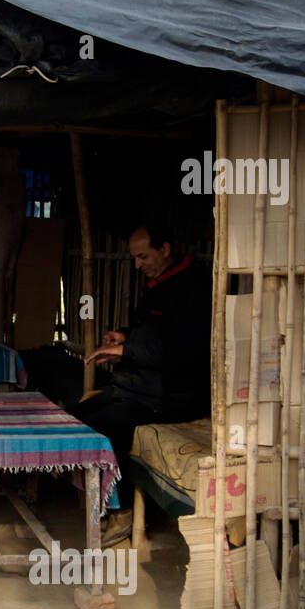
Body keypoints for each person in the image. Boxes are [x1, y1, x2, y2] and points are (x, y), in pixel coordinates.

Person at [75, 223, 211, 543]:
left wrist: (124, 349)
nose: (137, 265)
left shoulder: (194, 288)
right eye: (134, 258)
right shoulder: (158, 283)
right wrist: (124, 335)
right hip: (139, 387)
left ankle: (122, 514)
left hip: (172, 396)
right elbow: (149, 332)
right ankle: (104, 503)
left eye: (142, 256)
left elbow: (181, 350)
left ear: (164, 249)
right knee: (77, 417)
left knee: (105, 429)